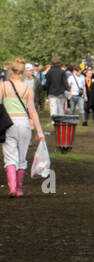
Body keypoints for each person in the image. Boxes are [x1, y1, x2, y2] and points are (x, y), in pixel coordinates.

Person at [3, 59, 46, 197]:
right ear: (22, 73)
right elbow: (32, 111)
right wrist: (39, 131)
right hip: (24, 123)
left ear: (11, 71)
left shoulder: (3, 86)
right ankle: (19, 189)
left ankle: (12, 187)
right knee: (22, 157)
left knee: (10, 156)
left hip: (8, 123)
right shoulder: (28, 89)